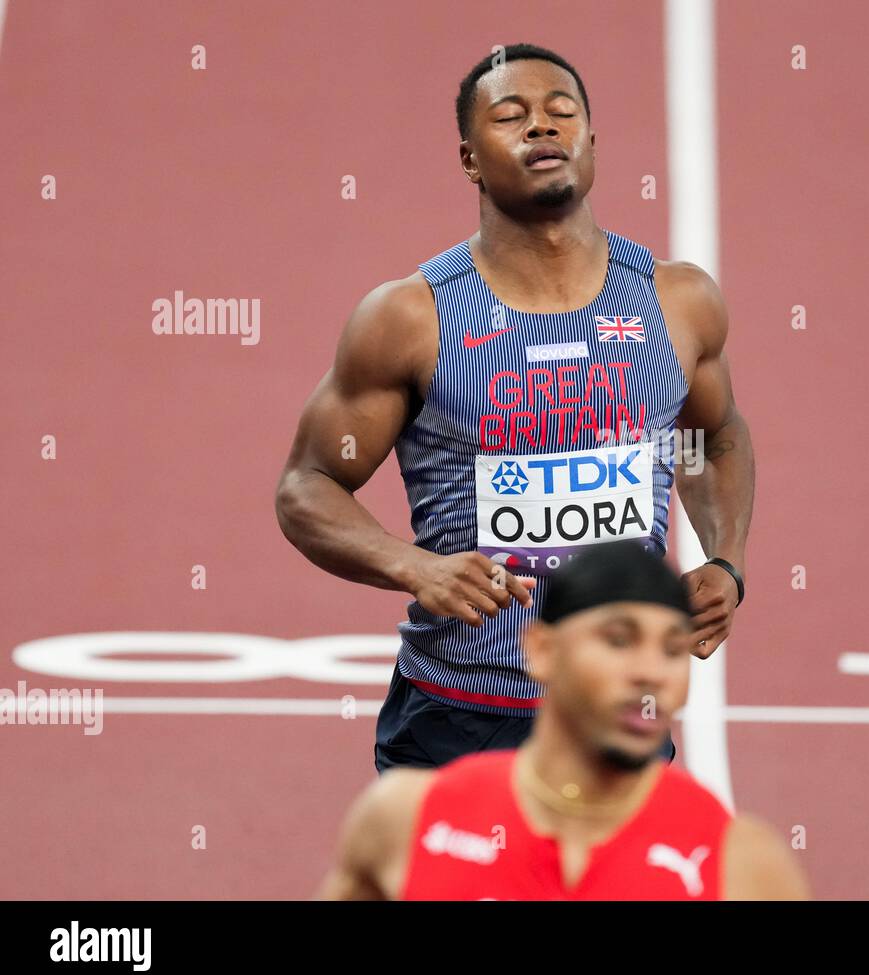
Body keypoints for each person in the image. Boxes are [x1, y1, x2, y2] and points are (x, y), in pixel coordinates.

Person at [275, 43, 754, 772]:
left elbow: (711, 439)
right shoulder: (409, 317)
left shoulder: (679, 301)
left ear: (591, 142)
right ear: (470, 159)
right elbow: (306, 485)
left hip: (618, 713)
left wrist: (725, 560)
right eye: (511, 116)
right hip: (456, 717)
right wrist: (413, 566)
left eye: (562, 113)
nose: (541, 126)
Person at [318, 542, 808, 900]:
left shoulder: (742, 865)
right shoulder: (406, 821)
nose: (651, 673)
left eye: (672, 649)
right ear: (542, 649)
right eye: (618, 640)